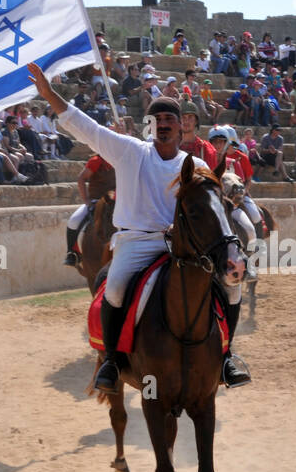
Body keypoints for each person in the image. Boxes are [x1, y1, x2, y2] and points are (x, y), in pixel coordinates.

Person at [27, 62, 251, 393]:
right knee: (114, 289)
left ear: (180, 127)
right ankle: (113, 361)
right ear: (149, 124)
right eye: (157, 119)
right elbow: (86, 128)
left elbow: (211, 209)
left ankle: (227, 357)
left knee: (232, 285)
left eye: (169, 120)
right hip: (134, 244)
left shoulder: (198, 166)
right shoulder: (129, 150)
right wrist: (50, 95)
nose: (163, 124)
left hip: (180, 245)